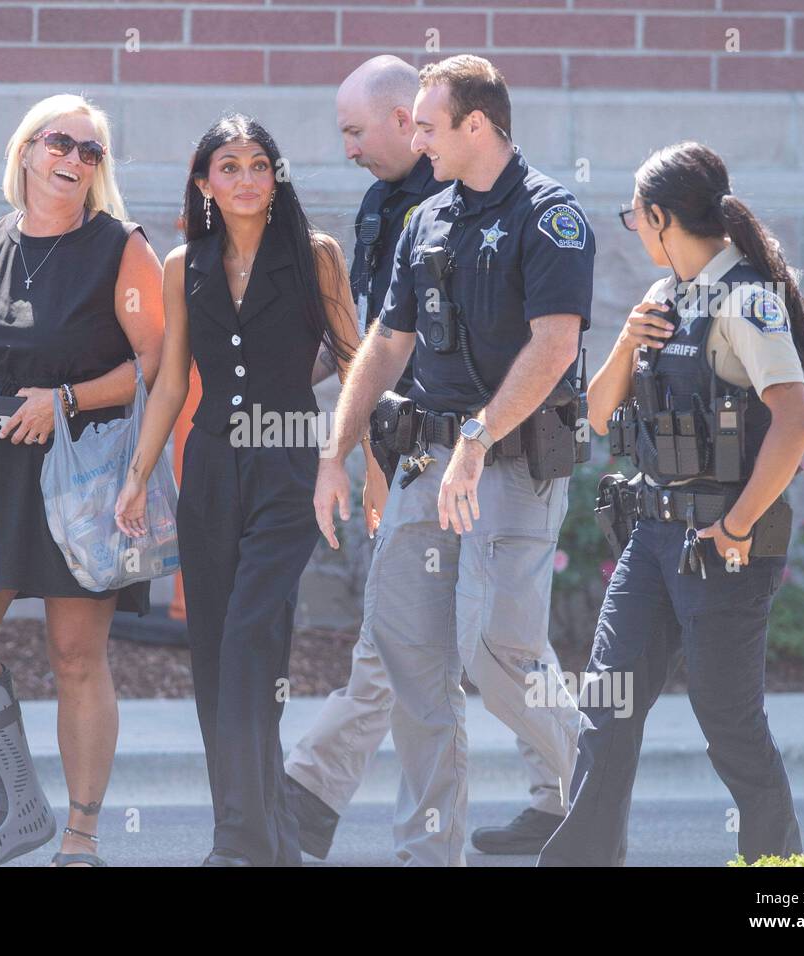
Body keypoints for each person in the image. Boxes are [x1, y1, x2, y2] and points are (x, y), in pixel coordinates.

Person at [285, 54, 584, 861]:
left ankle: (589, 787)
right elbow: (385, 343)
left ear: (475, 125)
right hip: (427, 461)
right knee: (411, 662)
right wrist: (332, 453)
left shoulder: (550, 216)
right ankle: (428, 852)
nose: (416, 140)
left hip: (512, 464)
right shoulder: (426, 218)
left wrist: (479, 442)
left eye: (427, 125)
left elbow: (555, 345)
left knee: (496, 651)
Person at [538, 141, 804, 867]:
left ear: (661, 216)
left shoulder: (746, 301)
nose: (631, 225)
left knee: (727, 722)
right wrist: (626, 342)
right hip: (654, 537)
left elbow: (794, 423)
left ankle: (782, 877)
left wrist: (736, 525)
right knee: (608, 707)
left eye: (634, 214)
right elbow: (598, 417)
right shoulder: (663, 299)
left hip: (722, 546)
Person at [0, 93, 164, 868]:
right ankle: (15, 805)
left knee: (75, 655)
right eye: (62, 143)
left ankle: (82, 836)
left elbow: (157, 363)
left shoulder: (119, 247)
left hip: (81, 474)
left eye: (91, 152)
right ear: (25, 150)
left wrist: (67, 400)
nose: (75, 160)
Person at [115, 114, 371, 866]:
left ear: (276, 176)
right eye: (229, 166)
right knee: (216, 658)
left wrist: (347, 461)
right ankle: (271, 841)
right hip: (211, 471)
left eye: (260, 164)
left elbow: (357, 362)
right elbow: (169, 387)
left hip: (289, 463)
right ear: (205, 183)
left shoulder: (315, 254)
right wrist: (139, 478)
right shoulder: (181, 263)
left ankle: (237, 843)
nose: (248, 178)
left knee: (249, 642)